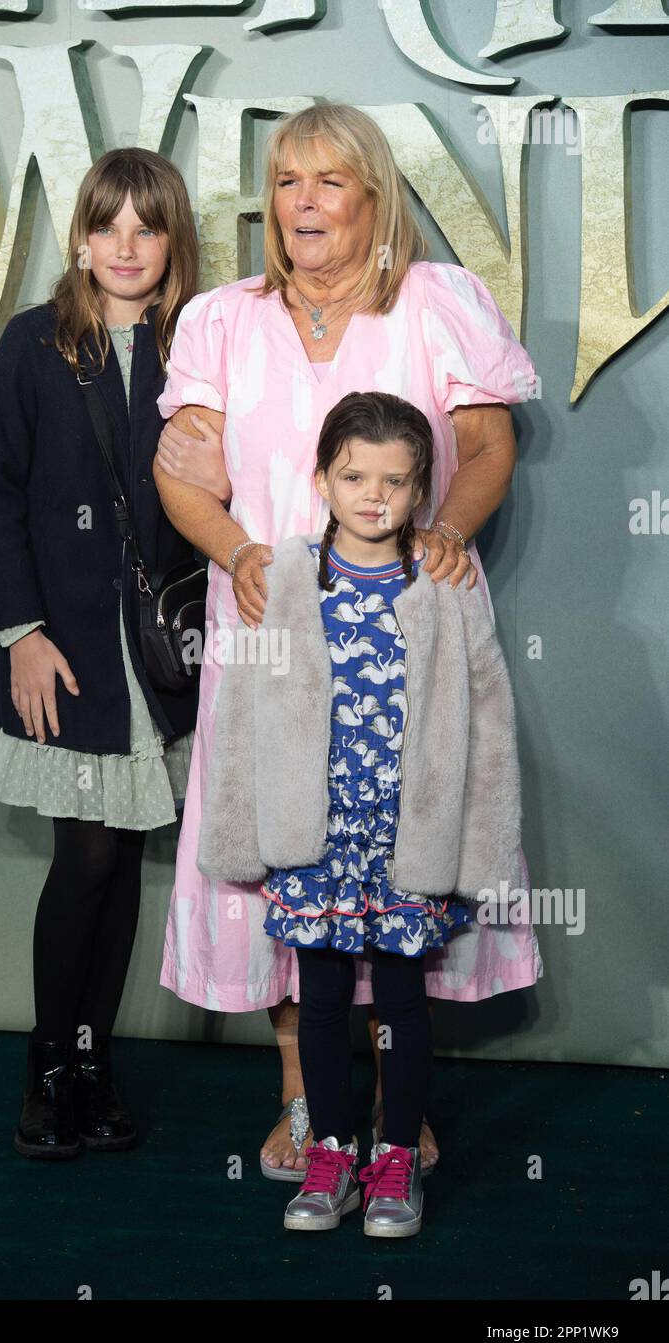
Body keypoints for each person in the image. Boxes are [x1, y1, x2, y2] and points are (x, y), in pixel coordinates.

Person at [152, 102, 542, 1179]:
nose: (303, 202)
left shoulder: (435, 299)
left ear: (374, 195)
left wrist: (447, 536)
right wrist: (238, 554)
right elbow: (181, 469)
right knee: (290, 859)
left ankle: (391, 1104)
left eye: (328, 180)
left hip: (403, 643)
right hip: (272, 640)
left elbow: (484, 442)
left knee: (397, 859)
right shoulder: (222, 317)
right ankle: (304, 1103)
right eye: (284, 182)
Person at [197, 390, 528, 1235]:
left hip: (406, 840)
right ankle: (332, 1155)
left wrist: (483, 847)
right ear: (322, 479)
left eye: (395, 480)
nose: (373, 495)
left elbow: (488, 723)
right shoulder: (287, 579)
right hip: (315, 843)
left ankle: (393, 1165)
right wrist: (239, 830)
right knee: (320, 994)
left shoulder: (444, 586)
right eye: (353, 475)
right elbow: (241, 713)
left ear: (422, 490)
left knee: (404, 1000)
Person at [0, 149, 201, 1159]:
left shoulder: (201, 343)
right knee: (86, 854)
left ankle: (93, 1064)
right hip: (62, 647)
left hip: (163, 651)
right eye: (108, 226)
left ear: (169, 239)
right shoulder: (32, 342)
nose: (126, 247)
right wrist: (20, 633)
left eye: (146, 228)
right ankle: (48, 1069)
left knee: (125, 860)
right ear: (81, 235)